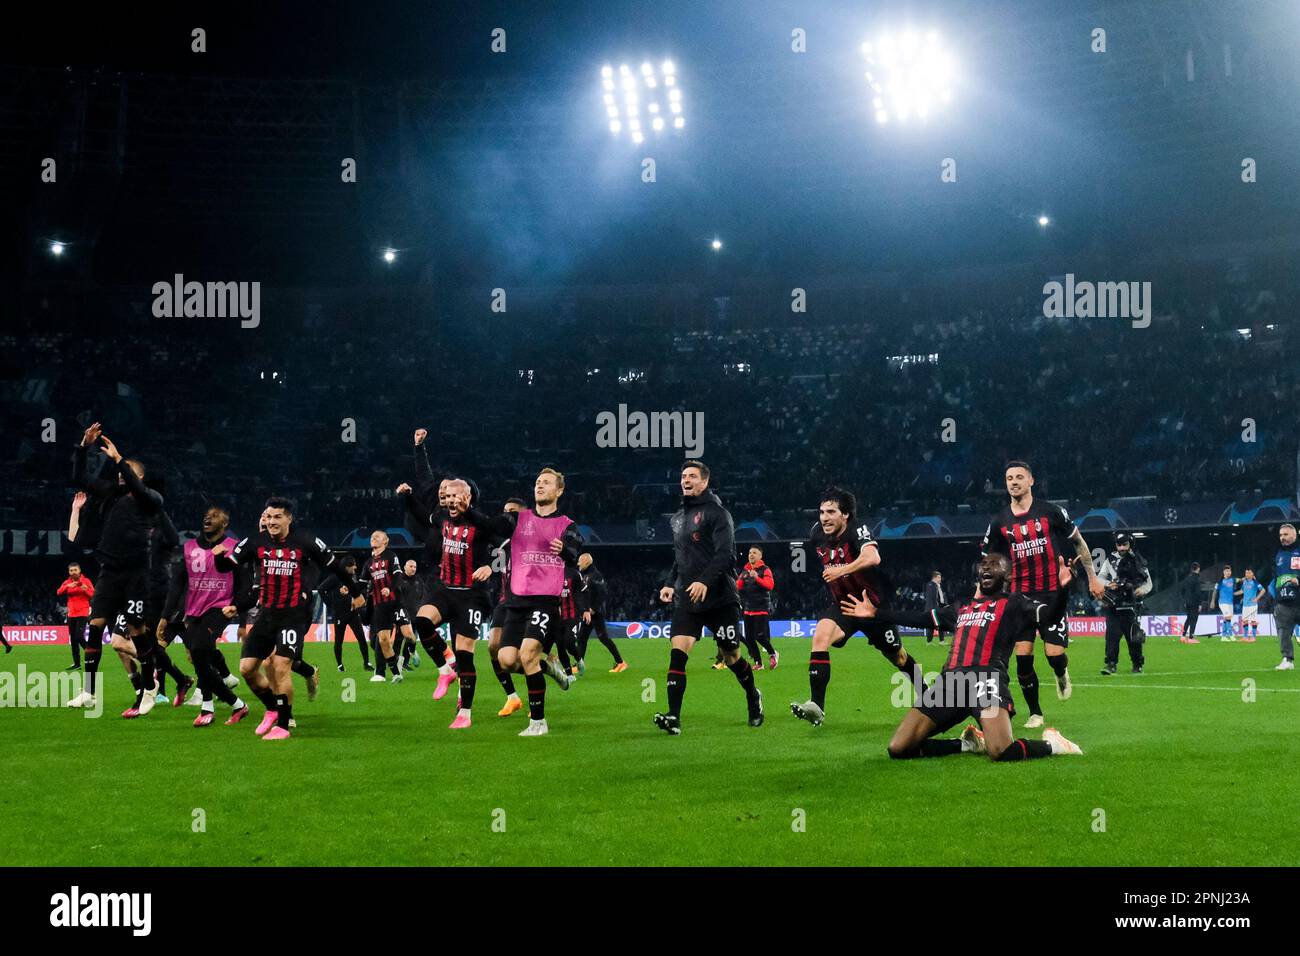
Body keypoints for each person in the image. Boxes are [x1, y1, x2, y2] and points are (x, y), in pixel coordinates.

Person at [839, 552, 1083, 761]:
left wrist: (1062, 591)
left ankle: (1054, 744)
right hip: (950, 683)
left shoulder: (1015, 603)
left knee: (1001, 750)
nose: (986, 567)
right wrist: (875, 613)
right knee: (899, 748)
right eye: (984, 564)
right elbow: (920, 618)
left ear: (1007, 576)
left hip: (987, 681)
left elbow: (1050, 616)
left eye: (994, 564)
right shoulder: (960, 607)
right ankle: (966, 743)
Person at [215, 496, 359, 740]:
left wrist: (356, 592)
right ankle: (273, 708)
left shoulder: (306, 541)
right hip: (266, 615)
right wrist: (220, 556)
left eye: (277, 517)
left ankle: (283, 724)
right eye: (268, 517)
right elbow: (227, 566)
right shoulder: (254, 542)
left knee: (280, 666)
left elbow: (334, 566)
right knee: (247, 669)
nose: (271, 521)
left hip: (294, 615)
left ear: (289, 519)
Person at [981, 461, 1104, 728]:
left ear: (1031, 481)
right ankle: (1035, 712)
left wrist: (1092, 578)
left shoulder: (1050, 511)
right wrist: (982, 595)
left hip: (1052, 595)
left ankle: (1061, 671)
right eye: (1009, 478)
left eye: (1019, 477)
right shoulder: (999, 521)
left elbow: (1079, 543)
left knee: (1053, 654)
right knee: (1023, 657)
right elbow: (988, 562)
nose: (1013, 482)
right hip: (1019, 598)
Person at [463, 468, 584, 736]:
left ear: (559, 491)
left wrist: (564, 550)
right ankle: (547, 666)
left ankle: (538, 722)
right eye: (538, 482)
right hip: (516, 602)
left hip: (545, 603)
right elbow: (490, 525)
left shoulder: (566, 524)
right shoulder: (518, 519)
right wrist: (467, 510)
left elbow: (576, 550)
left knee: (527, 653)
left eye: (547, 483)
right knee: (506, 659)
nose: (540, 486)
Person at [790, 487, 921, 727]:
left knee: (898, 657)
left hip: (871, 607)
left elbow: (873, 558)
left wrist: (841, 569)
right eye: (821, 512)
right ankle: (817, 706)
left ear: (846, 515)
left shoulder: (857, 530)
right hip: (844, 605)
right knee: (820, 636)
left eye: (831, 512)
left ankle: (927, 693)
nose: (824, 517)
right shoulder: (816, 534)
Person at [652, 460, 762, 735]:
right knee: (678, 654)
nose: (685, 480)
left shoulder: (718, 513)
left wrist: (704, 580)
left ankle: (753, 696)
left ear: (704, 482)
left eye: (691, 476)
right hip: (688, 598)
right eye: (683, 476)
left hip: (720, 598)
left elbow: (725, 555)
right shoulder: (678, 518)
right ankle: (674, 717)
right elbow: (681, 558)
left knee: (731, 655)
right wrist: (669, 583)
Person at [66, 423, 163, 714]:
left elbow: (137, 486)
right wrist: (83, 447)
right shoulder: (111, 494)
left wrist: (120, 458)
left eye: (127, 472)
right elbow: (79, 477)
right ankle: (89, 692)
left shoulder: (151, 499)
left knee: (137, 630)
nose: (121, 475)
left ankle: (148, 688)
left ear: (139, 476)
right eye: (120, 472)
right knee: (94, 628)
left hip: (135, 574)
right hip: (109, 571)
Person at [398, 475, 499, 726]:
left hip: (473, 595)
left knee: (466, 655)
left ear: (468, 498)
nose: (451, 499)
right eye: (448, 495)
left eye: (456, 495)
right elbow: (422, 515)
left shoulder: (482, 524)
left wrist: (491, 567)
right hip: (446, 590)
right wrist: (408, 496)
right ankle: (445, 666)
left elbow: (507, 546)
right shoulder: (442, 518)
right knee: (421, 621)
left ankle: (465, 712)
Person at [160, 505, 251, 726]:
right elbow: (177, 584)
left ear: (225, 523)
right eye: (206, 516)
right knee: (200, 659)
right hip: (193, 611)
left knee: (200, 651)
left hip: (219, 609)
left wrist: (240, 615)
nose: (208, 518)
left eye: (214, 516)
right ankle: (216, 706)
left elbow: (244, 584)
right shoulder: (189, 547)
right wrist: (165, 616)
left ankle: (231, 704)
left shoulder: (233, 548)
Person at [1098, 533, 1152, 675]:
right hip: (1114, 605)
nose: (1121, 548)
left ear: (1130, 544)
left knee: (1134, 637)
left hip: (1131, 606)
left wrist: (1142, 590)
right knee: (1111, 636)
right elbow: (1100, 578)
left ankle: (1137, 663)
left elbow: (1148, 583)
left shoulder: (1138, 560)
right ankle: (1111, 664)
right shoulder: (1109, 560)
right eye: (1119, 544)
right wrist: (1109, 584)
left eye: (1124, 544)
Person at [320, 555, 372, 672]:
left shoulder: (353, 577)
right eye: (353, 565)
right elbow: (321, 589)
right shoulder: (335, 577)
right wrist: (331, 604)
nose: (355, 567)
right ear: (346, 566)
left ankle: (366, 663)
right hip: (339, 614)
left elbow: (358, 590)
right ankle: (340, 665)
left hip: (352, 613)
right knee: (339, 641)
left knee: (362, 638)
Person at [576, 553, 626, 672]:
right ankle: (579, 665)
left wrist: (593, 608)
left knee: (603, 638)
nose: (578, 563)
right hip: (588, 613)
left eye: (580, 561)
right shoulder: (585, 575)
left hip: (596, 613)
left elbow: (602, 593)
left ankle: (620, 663)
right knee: (582, 638)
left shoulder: (595, 575)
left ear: (586, 562)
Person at [737, 546, 778, 669]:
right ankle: (758, 663)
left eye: (754, 553)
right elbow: (738, 586)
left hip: (761, 607)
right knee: (749, 638)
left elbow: (770, 586)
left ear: (760, 556)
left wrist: (757, 578)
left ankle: (773, 653)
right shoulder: (745, 571)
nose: (751, 555)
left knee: (759, 636)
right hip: (748, 608)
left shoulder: (765, 570)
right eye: (750, 553)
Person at [1267, 523, 1300, 670]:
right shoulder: (1278, 554)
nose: (1282, 538)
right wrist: (1275, 600)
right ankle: (1287, 660)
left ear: (1294, 535)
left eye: (1285, 534)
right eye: (1280, 535)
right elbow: (1275, 578)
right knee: (1283, 631)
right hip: (1284, 601)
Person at [56, 558, 94, 672]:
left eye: (75, 570)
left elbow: (93, 595)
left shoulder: (86, 581)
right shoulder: (68, 582)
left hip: (82, 612)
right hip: (71, 614)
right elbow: (58, 592)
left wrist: (85, 589)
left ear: (79, 570)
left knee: (79, 636)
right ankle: (77, 664)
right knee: (73, 640)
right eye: (71, 570)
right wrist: (68, 586)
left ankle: (91, 654)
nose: (73, 572)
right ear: (69, 572)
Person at [1179, 563, 1203, 644]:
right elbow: (1198, 593)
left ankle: (1183, 636)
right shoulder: (1197, 579)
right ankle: (1191, 638)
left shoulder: (1187, 578)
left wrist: (1185, 600)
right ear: (1198, 569)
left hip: (1187, 602)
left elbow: (1182, 590)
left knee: (1189, 618)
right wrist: (1200, 603)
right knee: (1194, 619)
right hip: (1194, 602)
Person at [922, 571, 949, 644]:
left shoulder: (937, 585)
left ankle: (941, 641)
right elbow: (932, 598)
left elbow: (941, 598)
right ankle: (929, 642)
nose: (940, 579)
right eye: (939, 577)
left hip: (937, 608)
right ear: (934, 577)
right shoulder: (930, 585)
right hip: (932, 609)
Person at [1215, 566, 1238, 641]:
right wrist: (1212, 601)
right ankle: (1231, 635)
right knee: (1228, 617)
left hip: (1230, 602)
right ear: (1224, 572)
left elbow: (1240, 580)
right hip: (1222, 602)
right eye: (1227, 571)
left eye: (1229, 571)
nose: (1228, 572)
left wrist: (1246, 578)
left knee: (1227, 618)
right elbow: (1215, 591)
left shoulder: (1233, 579)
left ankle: (1223, 637)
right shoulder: (1220, 581)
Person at [1239, 569, 1261, 643]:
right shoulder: (1244, 582)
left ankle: (1253, 637)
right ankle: (1245, 637)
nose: (1247, 574)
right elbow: (1242, 591)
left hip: (1252, 605)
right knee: (1245, 621)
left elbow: (1263, 590)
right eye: (1246, 573)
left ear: (1252, 574)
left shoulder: (1255, 582)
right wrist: (1233, 593)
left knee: (1253, 621)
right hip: (1245, 605)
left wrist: (1257, 598)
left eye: (1249, 573)